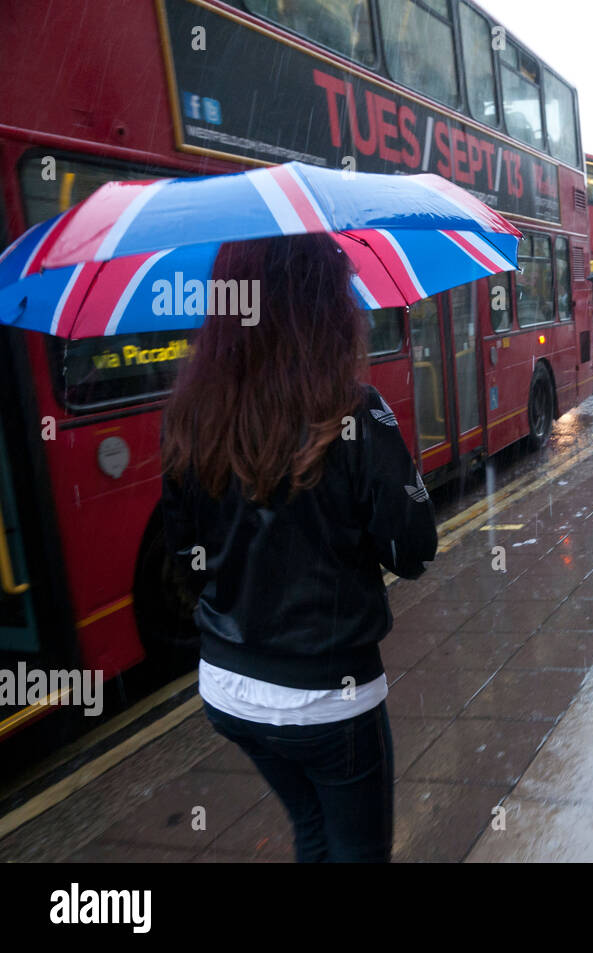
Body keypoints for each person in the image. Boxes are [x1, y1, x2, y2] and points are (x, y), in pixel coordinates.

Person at [160, 233, 438, 863]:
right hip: (328, 697)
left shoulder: (189, 413)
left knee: (312, 828)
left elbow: (184, 560)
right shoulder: (354, 412)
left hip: (228, 688)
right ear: (325, 310)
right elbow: (414, 551)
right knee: (358, 849)